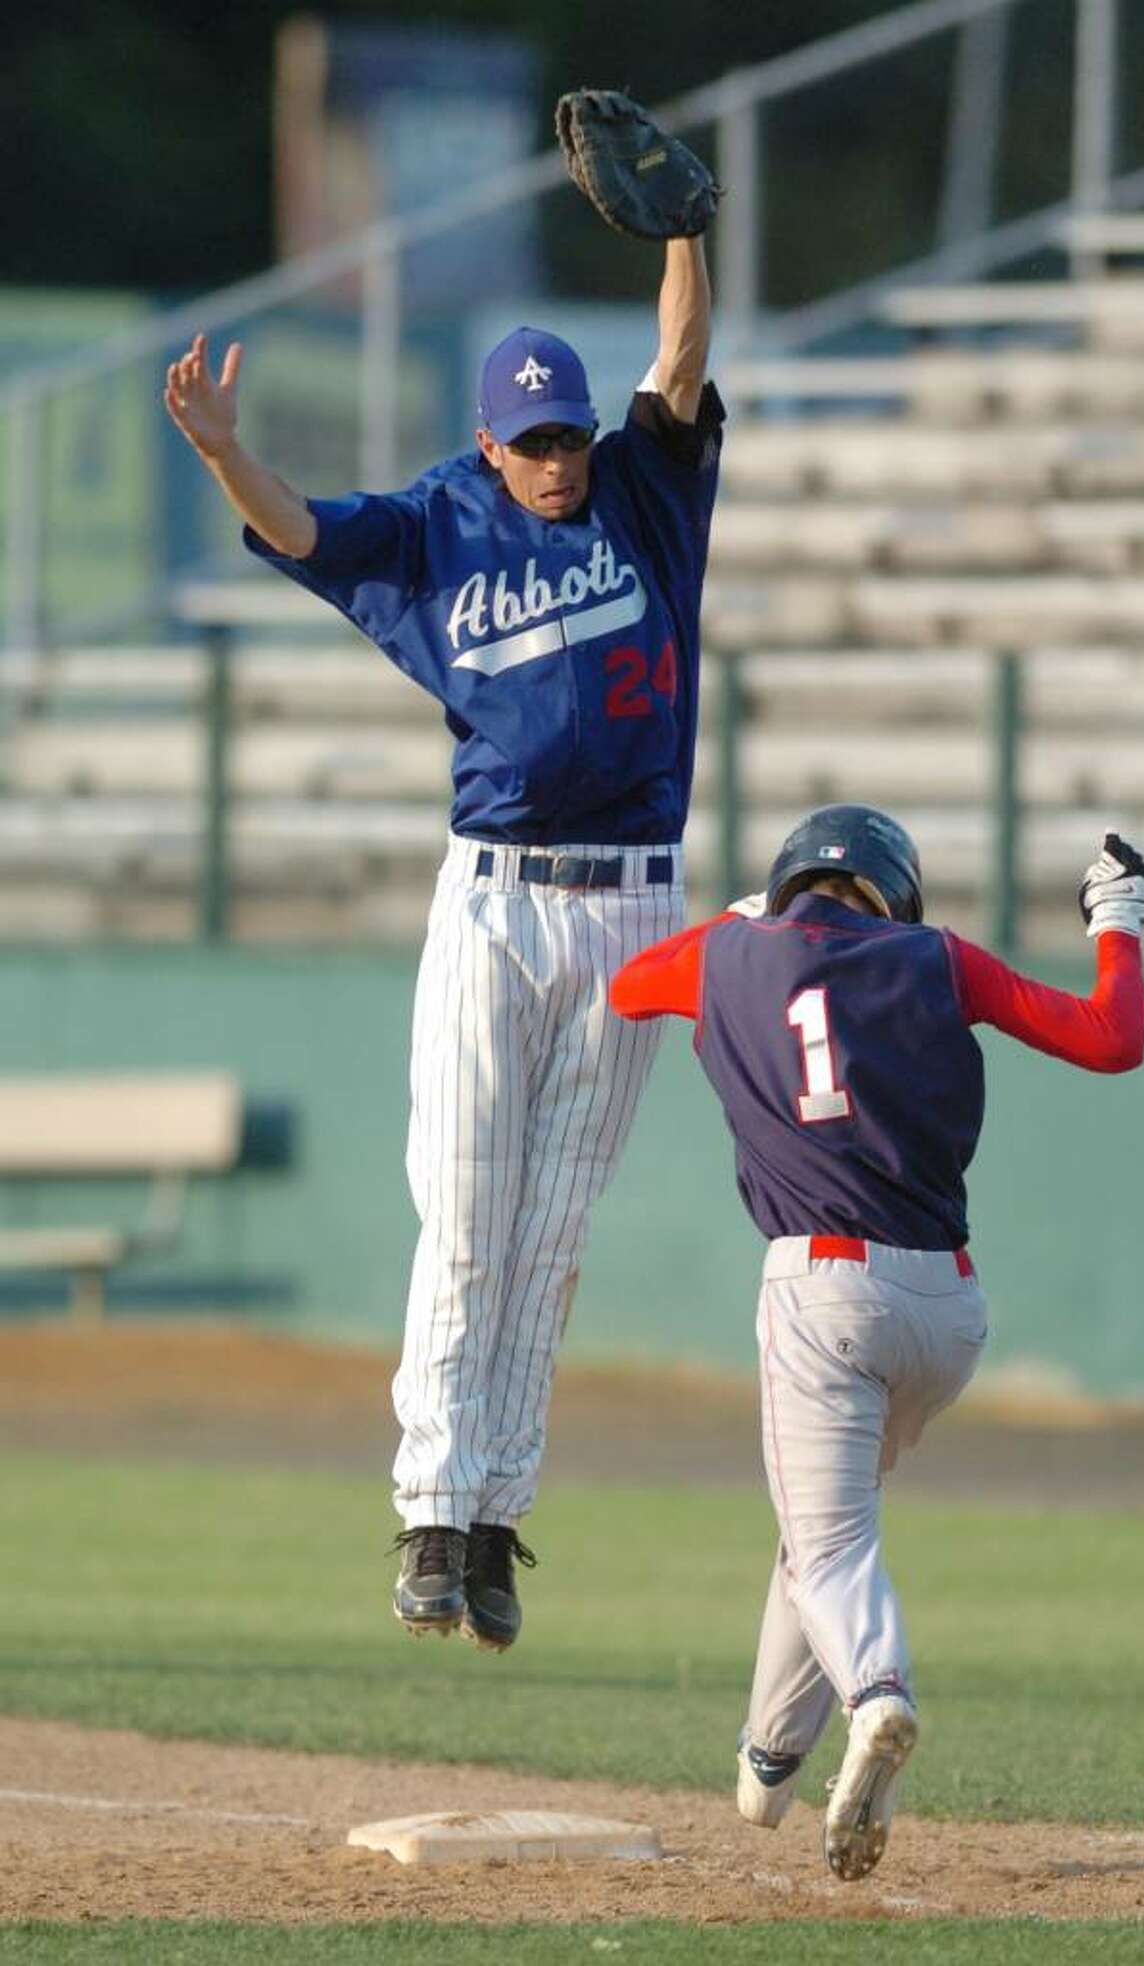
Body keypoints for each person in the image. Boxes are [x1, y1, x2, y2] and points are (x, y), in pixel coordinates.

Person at [163, 232, 722, 1653]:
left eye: (566, 435)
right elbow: (301, 529)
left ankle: (490, 1525)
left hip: (637, 901)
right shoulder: (436, 526)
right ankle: (427, 1506)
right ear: (488, 437)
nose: (554, 461)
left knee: (552, 1238)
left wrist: (684, 230)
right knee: (468, 1214)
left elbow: (682, 362)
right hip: (496, 896)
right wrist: (226, 454)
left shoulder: (645, 493)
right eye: (529, 440)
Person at [610, 806, 1144, 1881]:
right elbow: (1112, 1039)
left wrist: (736, 919)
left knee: (830, 1550)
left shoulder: (730, 953)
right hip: (946, 1307)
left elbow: (628, 987)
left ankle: (880, 1692)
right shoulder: (940, 959)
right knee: (818, 1528)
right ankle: (769, 1763)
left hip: (821, 1288)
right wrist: (1119, 922)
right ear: (894, 894)